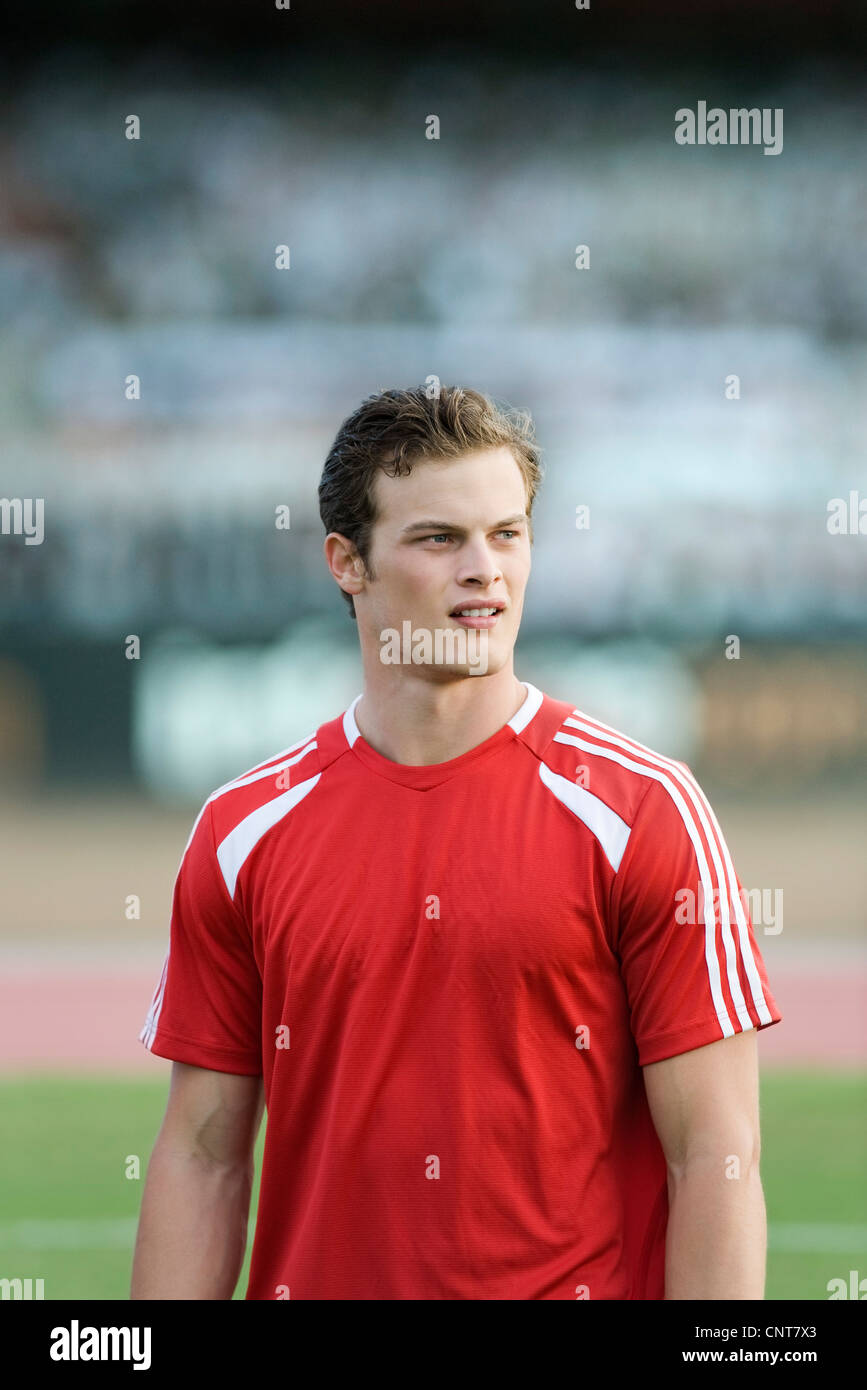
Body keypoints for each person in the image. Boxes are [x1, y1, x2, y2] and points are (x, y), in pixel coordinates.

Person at [131, 384, 781, 1300]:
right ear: (346, 563)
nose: (485, 569)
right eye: (439, 538)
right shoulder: (241, 831)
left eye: (507, 534)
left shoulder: (643, 809)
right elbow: (202, 1154)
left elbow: (715, 1155)